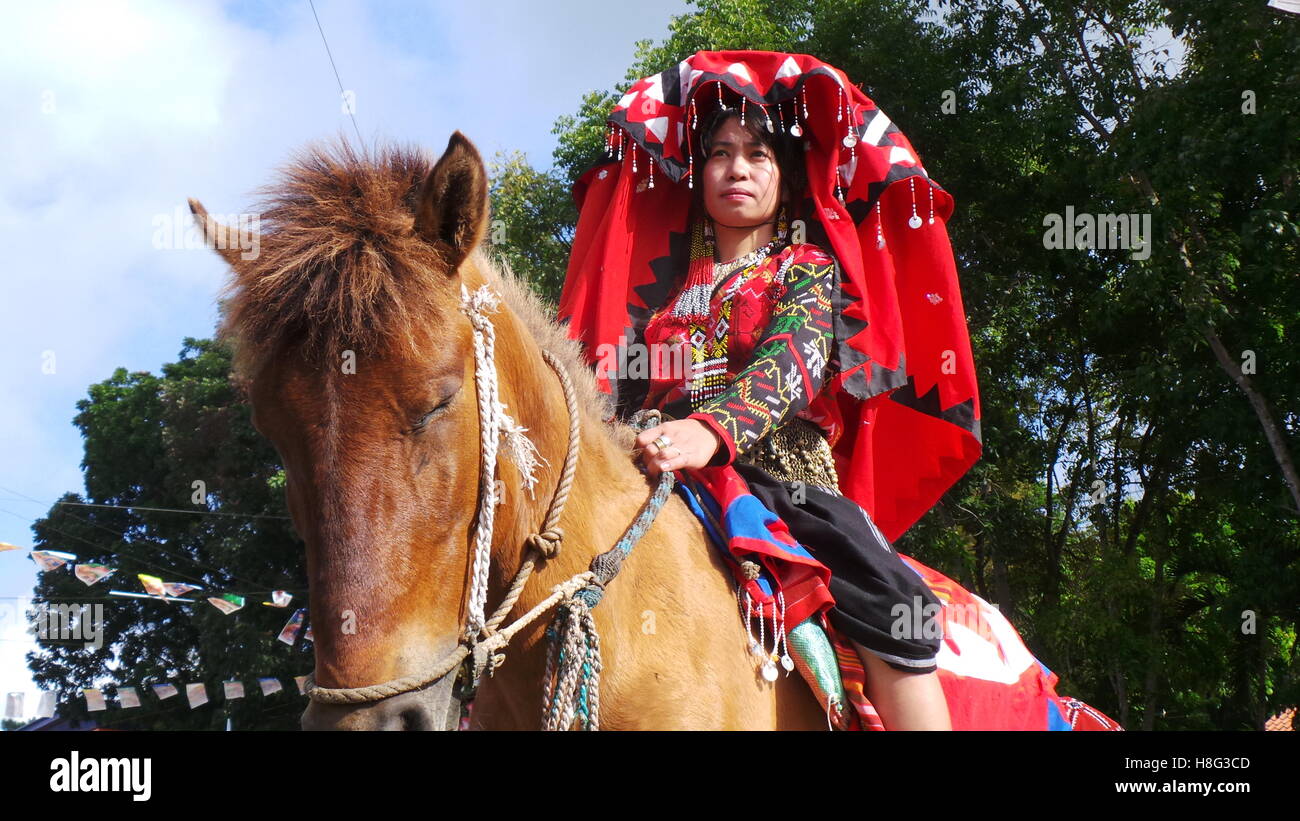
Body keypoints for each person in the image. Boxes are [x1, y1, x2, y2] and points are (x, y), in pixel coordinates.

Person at [559, 51, 982, 731]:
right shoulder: (661, 300)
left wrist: (710, 432)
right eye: (720, 153)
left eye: (758, 154)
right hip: (661, 474)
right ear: (698, 176)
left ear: (783, 180)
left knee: (888, 595)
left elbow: (792, 362)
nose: (738, 168)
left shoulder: (807, 269)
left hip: (782, 482)